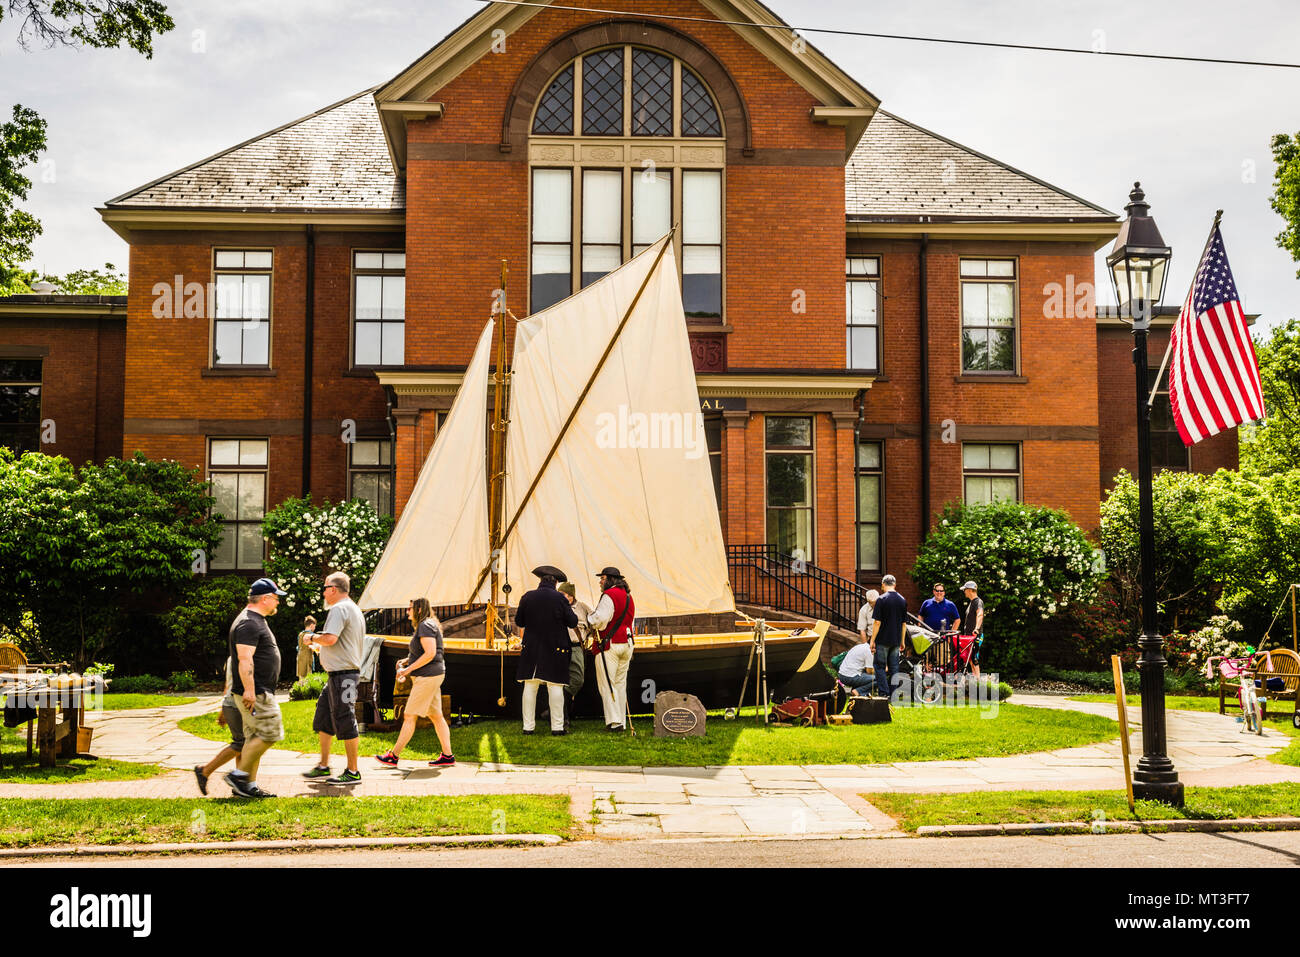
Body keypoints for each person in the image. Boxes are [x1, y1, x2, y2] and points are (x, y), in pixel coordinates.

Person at [223, 578, 287, 799]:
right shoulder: (249, 622)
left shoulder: (253, 619)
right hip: (256, 691)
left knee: (254, 737)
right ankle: (239, 775)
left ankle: (247, 786)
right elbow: (244, 658)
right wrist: (250, 690)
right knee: (271, 732)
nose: (278, 602)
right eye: (276, 598)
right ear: (266, 598)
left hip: (257, 689)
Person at [301, 571, 367, 785]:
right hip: (337, 676)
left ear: (333, 589)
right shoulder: (353, 608)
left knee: (345, 718)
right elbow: (338, 643)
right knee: (324, 718)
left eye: (324, 588)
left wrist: (309, 637)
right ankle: (323, 765)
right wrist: (322, 647)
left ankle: (353, 771)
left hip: (344, 676)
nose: (322, 593)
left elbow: (330, 638)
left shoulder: (339, 609)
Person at [376, 598, 454, 768]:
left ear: (418, 609)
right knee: (436, 716)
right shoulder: (428, 624)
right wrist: (405, 661)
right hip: (433, 675)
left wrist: (407, 670)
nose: (407, 612)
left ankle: (393, 756)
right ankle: (448, 756)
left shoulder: (425, 626)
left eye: (409, 608)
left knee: (409, 716)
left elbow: (430, 653)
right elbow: (426, 652)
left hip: (427, 677)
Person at [514, 565, 578, 735]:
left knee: (530, 686)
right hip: (555, 648)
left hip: (532, 648)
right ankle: (557, 728)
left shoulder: (527, 597)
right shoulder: (560, 599)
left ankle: (528, 727)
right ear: (555, 582)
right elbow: (572, 622)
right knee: (555, 687)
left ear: (540, 581)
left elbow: (519, 622)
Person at [588, 566, 635, 731]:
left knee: (607, 683)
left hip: (611, 644)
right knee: (620, 683)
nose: (600, 582)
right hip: (627, 644)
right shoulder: (628, 596)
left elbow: (600, 619)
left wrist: (590, 618)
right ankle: (621, 720)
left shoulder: (609, 595)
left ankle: (614, 722)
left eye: (602, 579)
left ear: (609, 579)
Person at [193, 654, 242, 795]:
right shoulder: (243, 655)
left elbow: (228, 684)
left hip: (231, 704)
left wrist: (223, 710)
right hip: (236, 704)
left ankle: (240, 783)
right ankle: (204, 771)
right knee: (242, 744)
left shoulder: (232, 657)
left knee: (243, 745)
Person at [558, 582, 591, 732]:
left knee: (577, 680)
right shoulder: (556, 606)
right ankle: (564, 719)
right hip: (559, 648)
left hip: (576, 647)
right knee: (558, 682)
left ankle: (555, 710)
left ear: (570, 596)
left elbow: (595, 623)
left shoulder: (583, 608)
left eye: (562, 594)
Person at [870, 574, 908, 698]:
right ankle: (893, 695)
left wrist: (872, 640)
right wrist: (902, 641)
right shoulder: (902, 600)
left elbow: (877, 622)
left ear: (883, 584)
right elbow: (903, 624)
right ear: (895, 585)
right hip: (896, 640)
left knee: (880, 667)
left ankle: (884, 694)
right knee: (894, 668)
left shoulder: (881, 599)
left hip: (882, 640)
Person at [960, 581, 986, 677]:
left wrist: (976, 629)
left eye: (965, 590)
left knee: (974, 658)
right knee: (970, 658)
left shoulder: (978, 602)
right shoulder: (972, 603)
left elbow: (980, 615)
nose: (964, 592)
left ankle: (978, 682)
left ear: (970, 590)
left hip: (976, 635)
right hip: (969, 636)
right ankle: (976, 679)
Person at [296, 615, 318, 681]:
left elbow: (298, 647)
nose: (315, 627)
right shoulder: (310, 635)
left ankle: (300, 690)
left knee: (301, 677)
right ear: (311, 625)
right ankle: (306, 691)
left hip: (300, 657)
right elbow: (313, 647)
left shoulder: (300, 634)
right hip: (307, 658)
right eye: (314, 626)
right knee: (308, 677)